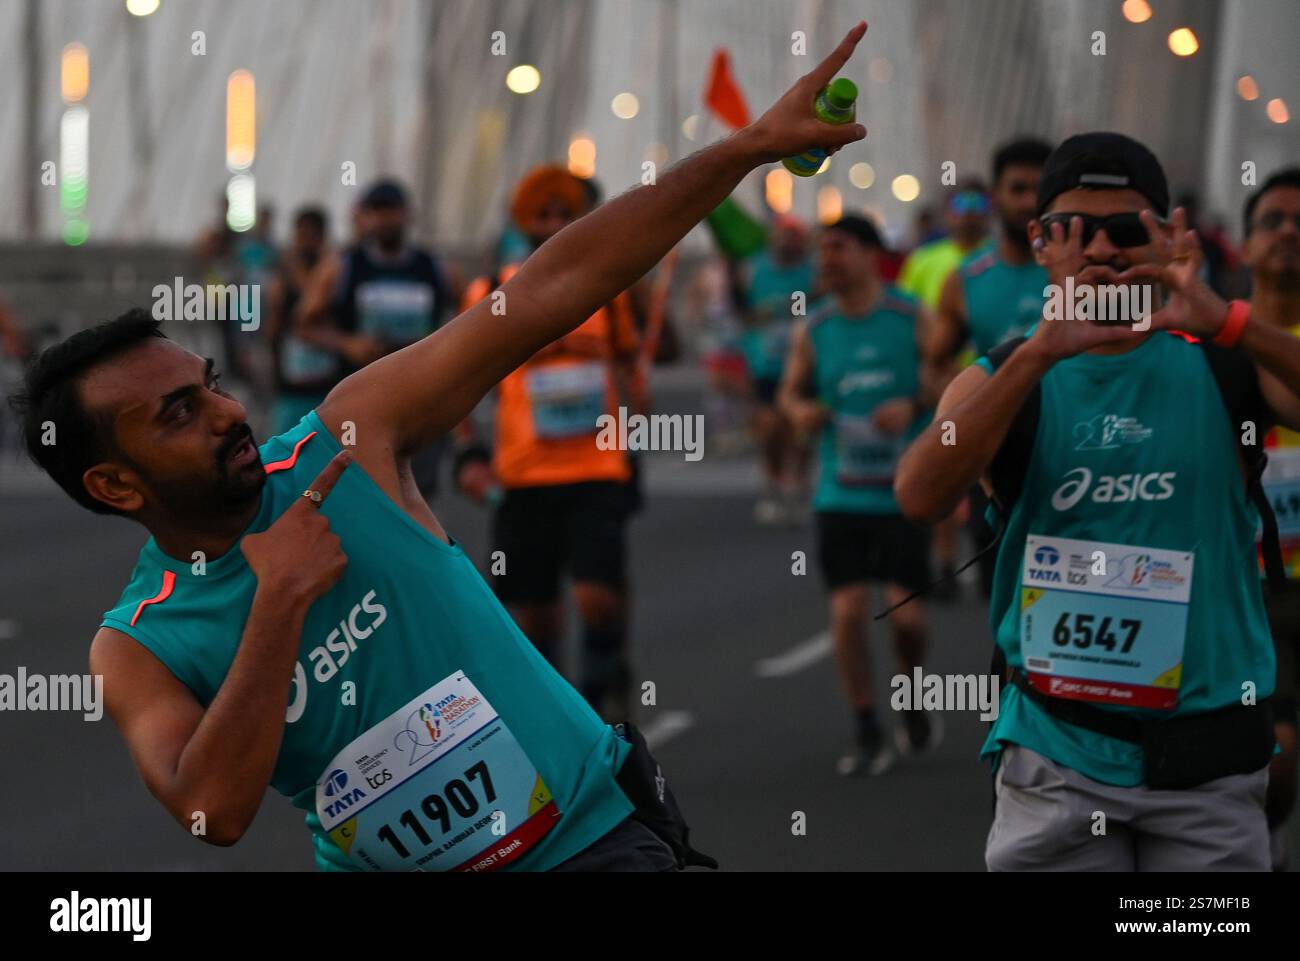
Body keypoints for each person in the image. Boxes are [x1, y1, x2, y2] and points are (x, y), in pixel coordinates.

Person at [6, 22, 871, 871]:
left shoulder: (348, 440)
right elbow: (212, 811)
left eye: (210, 386)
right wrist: (277, 605)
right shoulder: (137, 645)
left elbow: (548, 290)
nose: (227, 415)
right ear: (116, 485)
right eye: (178, 415)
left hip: (589, 847)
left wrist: (745, 148)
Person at [896, 132, 1300, 871]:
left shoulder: (1220, 359)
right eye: (1072, 230)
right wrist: (1041, 354)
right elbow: (920, 492)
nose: (1101, 250)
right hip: (1059, 754)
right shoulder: (1008, 375)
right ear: (1039, 243)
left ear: (1168, 234)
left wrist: (1229, 319)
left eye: (1124, 230)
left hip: (1206, 756)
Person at [455, 165, 647, 722]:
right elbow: (459, 378)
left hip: (597, 467)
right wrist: (470, 452)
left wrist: (637, 414)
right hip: (523, 473)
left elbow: (631, 363)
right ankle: (554, 712)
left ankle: (593, 710)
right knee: (532, 615)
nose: (557, 224)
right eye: (546, 215)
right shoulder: (491, 292)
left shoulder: (608, 288)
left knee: (597, 595)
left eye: (567, 214)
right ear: (527, 224)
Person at [779, 214, 937, 776]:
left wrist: (913, 407)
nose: (827, 259)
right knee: (847, 612)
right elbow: (790, 397)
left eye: (839, 248)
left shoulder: (909, 314)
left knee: (907, 620)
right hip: (839, 493)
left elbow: (945, 378)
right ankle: (867, 723)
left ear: (872, 254)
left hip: (901, 492)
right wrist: (806, 413)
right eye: (822, 250)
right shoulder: (814, 327)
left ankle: (913, 695)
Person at [928, 138, 1053, 597]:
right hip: (995, 459)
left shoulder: (1087, 273)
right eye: (1016, 188)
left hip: (1079, 449)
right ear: (995, 195)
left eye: (1039, 189)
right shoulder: (965, 281)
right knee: (1001, 596)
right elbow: (936, 366)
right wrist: (967, 413)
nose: (1027, 202)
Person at [296, 179, 458, 499]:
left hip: (421, 401)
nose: (385, 220)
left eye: (392, 211)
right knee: (364, 491)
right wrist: (347, 344)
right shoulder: (344, 267)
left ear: (407, 214)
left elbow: (475, 310)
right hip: (363, 399)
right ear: (366, 216)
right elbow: (303, 325)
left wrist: (445, 351)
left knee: (417, 496)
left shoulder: (434, 267)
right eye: (377, 211)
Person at [1242, 167, 1300, 869]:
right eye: (1274, 221)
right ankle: (1265, 841)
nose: (1290, 233)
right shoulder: (1213, 338)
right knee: (1277, 756)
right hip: (1252, 586)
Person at [738, 214, 819, 525]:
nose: (787, 241)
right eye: (782, 234)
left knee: (800, 430)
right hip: (765, 365)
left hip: (804, 364)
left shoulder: (813, 272)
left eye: (793, 234)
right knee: (771, 428)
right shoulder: (755, 269)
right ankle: (773, 484)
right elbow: (744, 314)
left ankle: (798, 485)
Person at [264, 207, 341, 436]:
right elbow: (272, 329)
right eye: (301, 235)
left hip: (327, 387)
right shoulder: (282, 278)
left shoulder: (335, 276)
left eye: (311, 235)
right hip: (291, 387)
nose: (305, 242)